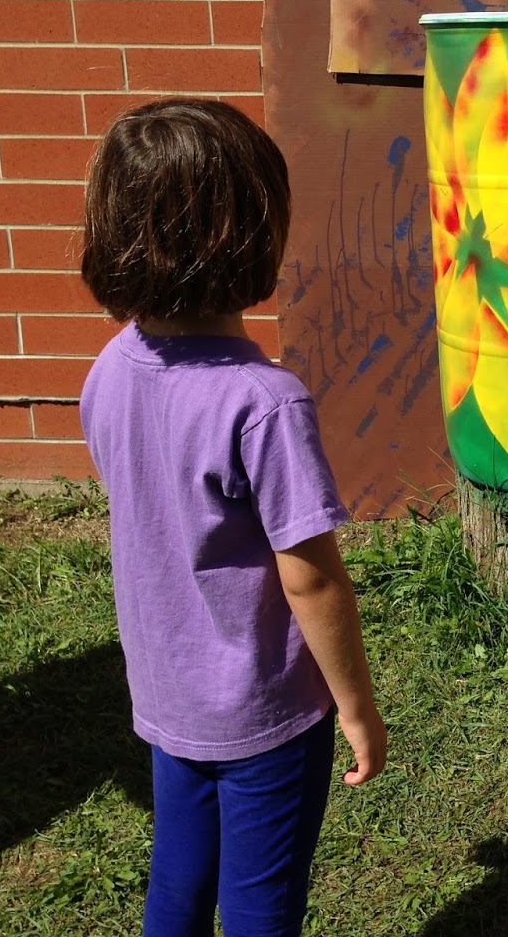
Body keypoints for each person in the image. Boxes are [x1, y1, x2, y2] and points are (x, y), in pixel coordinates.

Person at [79, 97, 387, 937]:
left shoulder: (110, 367)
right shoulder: (263, 403)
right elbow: (311, 577)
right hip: (265, 713)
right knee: (260, 907)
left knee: (177, 886)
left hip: (167, 693)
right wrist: (355, 706)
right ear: (254, 234)